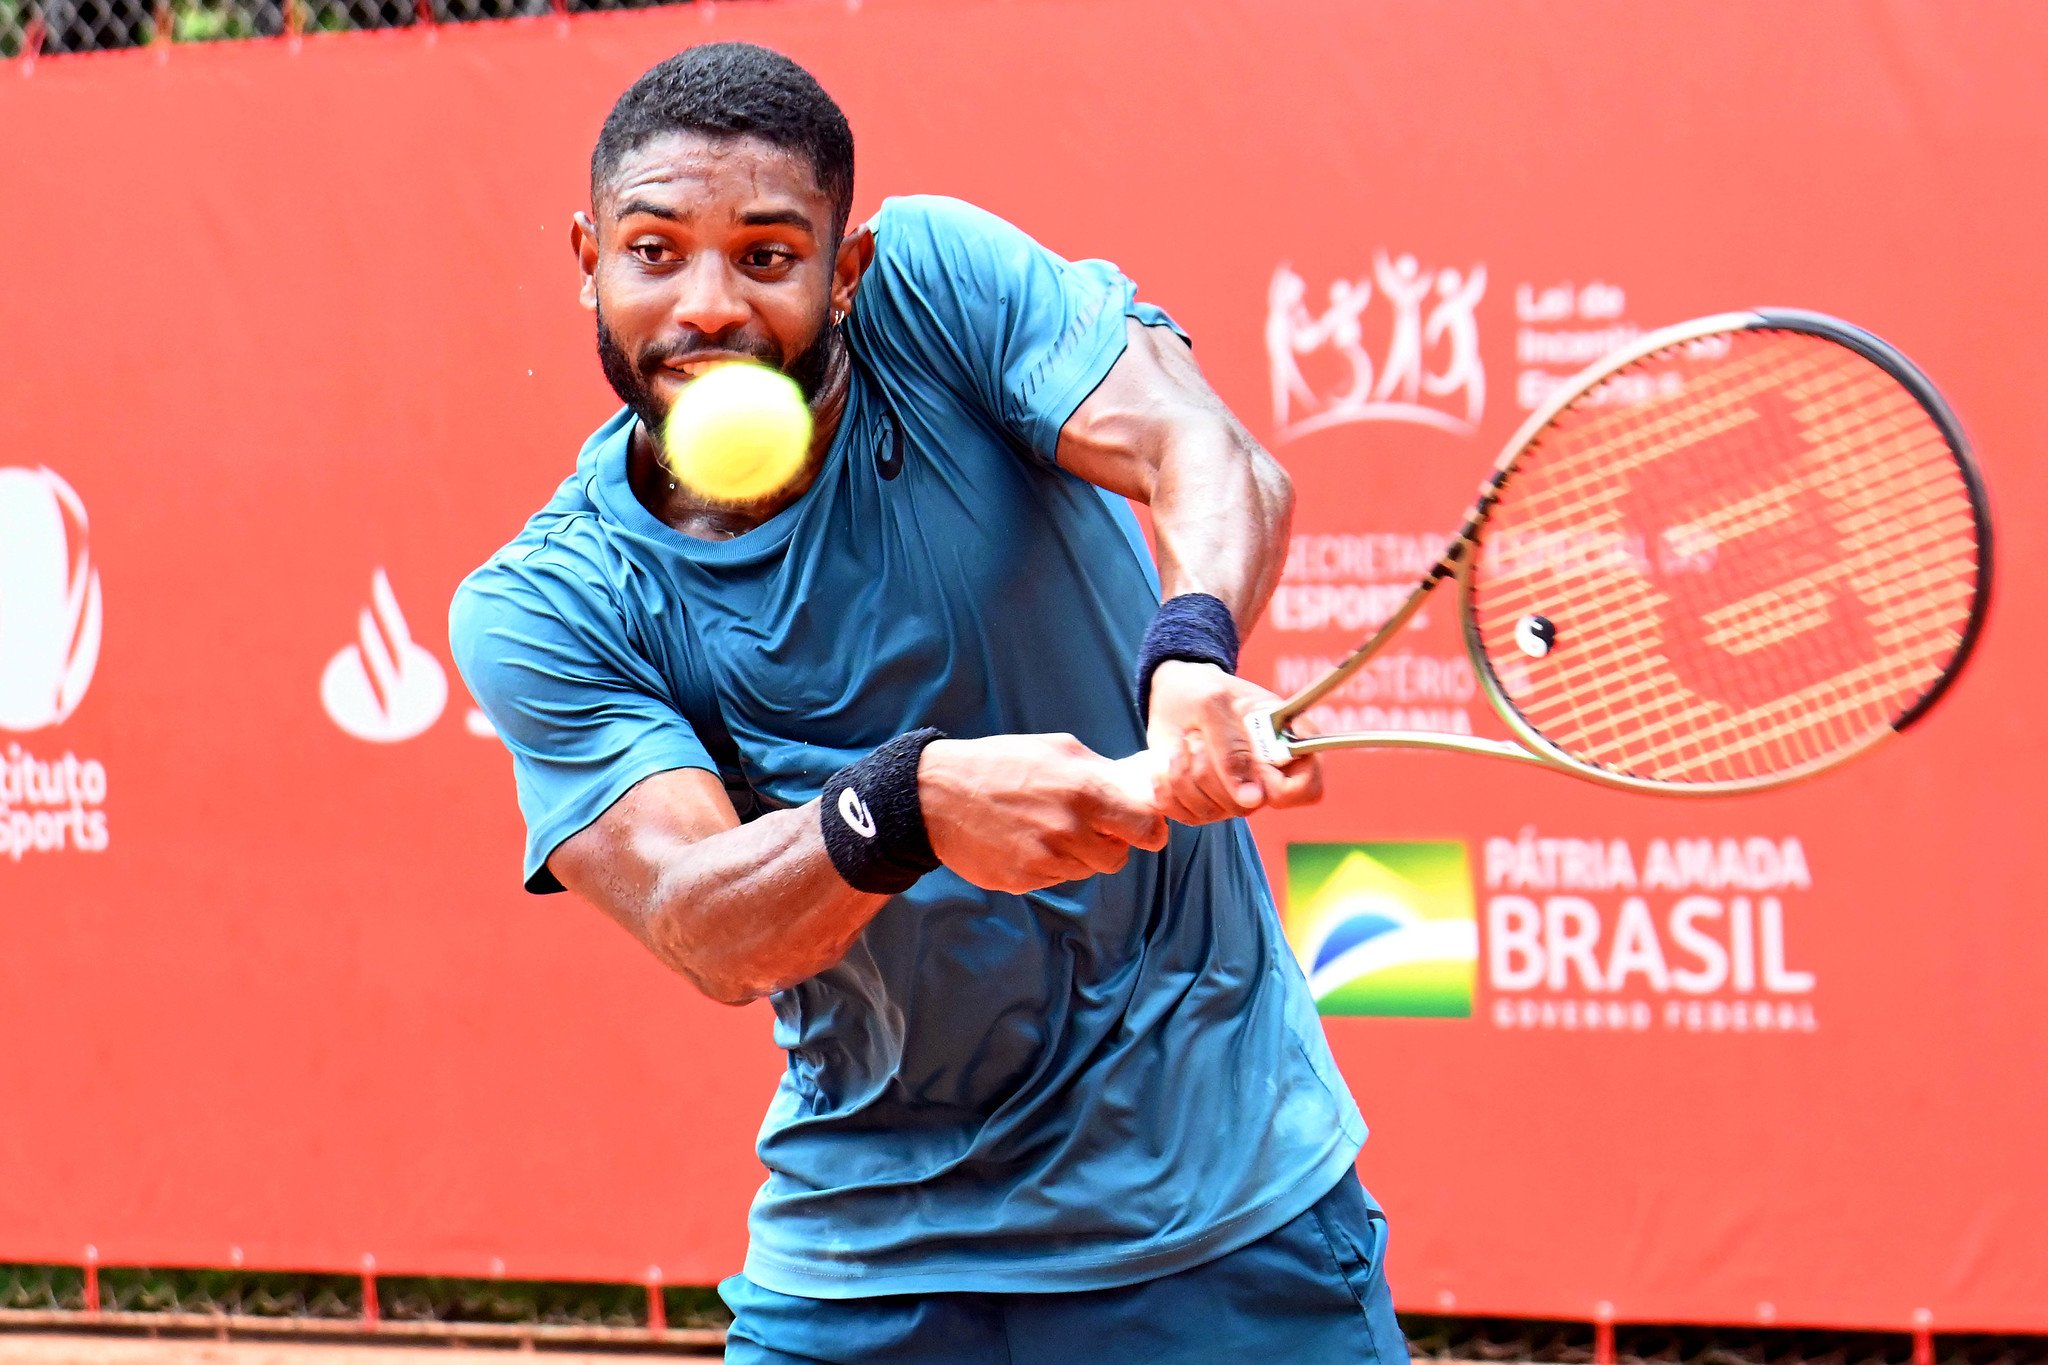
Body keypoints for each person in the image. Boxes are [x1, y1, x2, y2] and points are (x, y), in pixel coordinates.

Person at [451, 41, 1407, 1365]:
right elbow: (699, 921)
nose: (710, 305)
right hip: (864, 1255)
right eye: (656, 251)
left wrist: (1188, 652)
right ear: (587, 258)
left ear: (847, 269)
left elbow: (1204, 447)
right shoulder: (548, 603)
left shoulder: (936, 293)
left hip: (1215, 1206)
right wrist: (906, 803)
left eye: (769, 257)